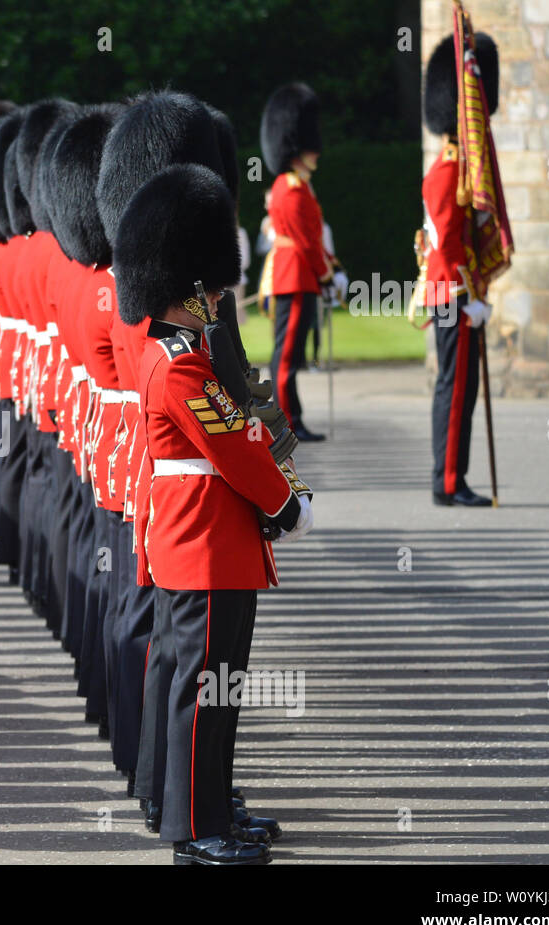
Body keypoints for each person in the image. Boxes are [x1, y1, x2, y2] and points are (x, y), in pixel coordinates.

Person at [115, 162, 314, 865]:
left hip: (211, 536)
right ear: (192, 284)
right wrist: (287, 504)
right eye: (216, 281)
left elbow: (242, 432)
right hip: (202, 536)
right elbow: (231, 447)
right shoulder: (179, 364)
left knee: (216, 687)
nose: (226, 293)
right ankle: (196, 829)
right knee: (203, 690)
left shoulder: (183, 352)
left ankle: (210, 804)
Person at [421, 31, 501, 507]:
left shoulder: (451, 167)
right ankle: (449, 480)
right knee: (456, 389)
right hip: (454, 295)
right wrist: (469, 296)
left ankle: (450, 476)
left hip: (454, 292)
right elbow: (448, 243)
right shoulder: (451, 171)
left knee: (459, 387)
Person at [259, 82, 345, 442]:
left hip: (300, 275)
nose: (317, 153)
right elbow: (307, 242)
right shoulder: (291, 189)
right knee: (287, 355)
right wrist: (327, 276)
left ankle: (292, 418)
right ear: (297, 147)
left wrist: (331, 270)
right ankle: (284, 424)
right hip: (295, 276)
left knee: (289, 355)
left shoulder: (297, 185)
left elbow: (313, 238)